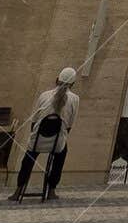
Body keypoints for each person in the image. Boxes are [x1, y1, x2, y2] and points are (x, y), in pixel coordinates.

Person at [8, 68, 79, 203]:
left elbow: (34, 121)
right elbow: (70, 125)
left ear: (57, 80)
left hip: (37, 141)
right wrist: (60, 137)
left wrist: (35, 137)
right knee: (61, 156)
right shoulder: (75, 99)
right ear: (73, 84)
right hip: (57, 143)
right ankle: (51, 190)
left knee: (28, 160)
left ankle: (18, 191)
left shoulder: (44, 95)